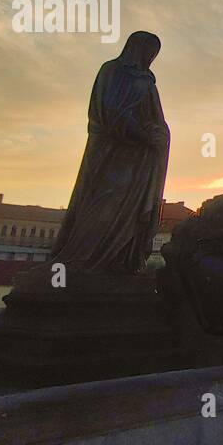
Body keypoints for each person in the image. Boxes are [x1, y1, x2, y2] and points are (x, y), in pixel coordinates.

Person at [50, 31, 170, 273]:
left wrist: (159, 135)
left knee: (131, 212)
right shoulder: (112, 71)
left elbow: (154, 116)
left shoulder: (147, 80)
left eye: (154, 54)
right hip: (111, 156)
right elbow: (107, 110)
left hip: (141, 161)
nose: (150, 57)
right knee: (103, 204)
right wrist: (142, 133)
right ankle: (81, 261)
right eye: (148, 51)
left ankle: (122, 261)